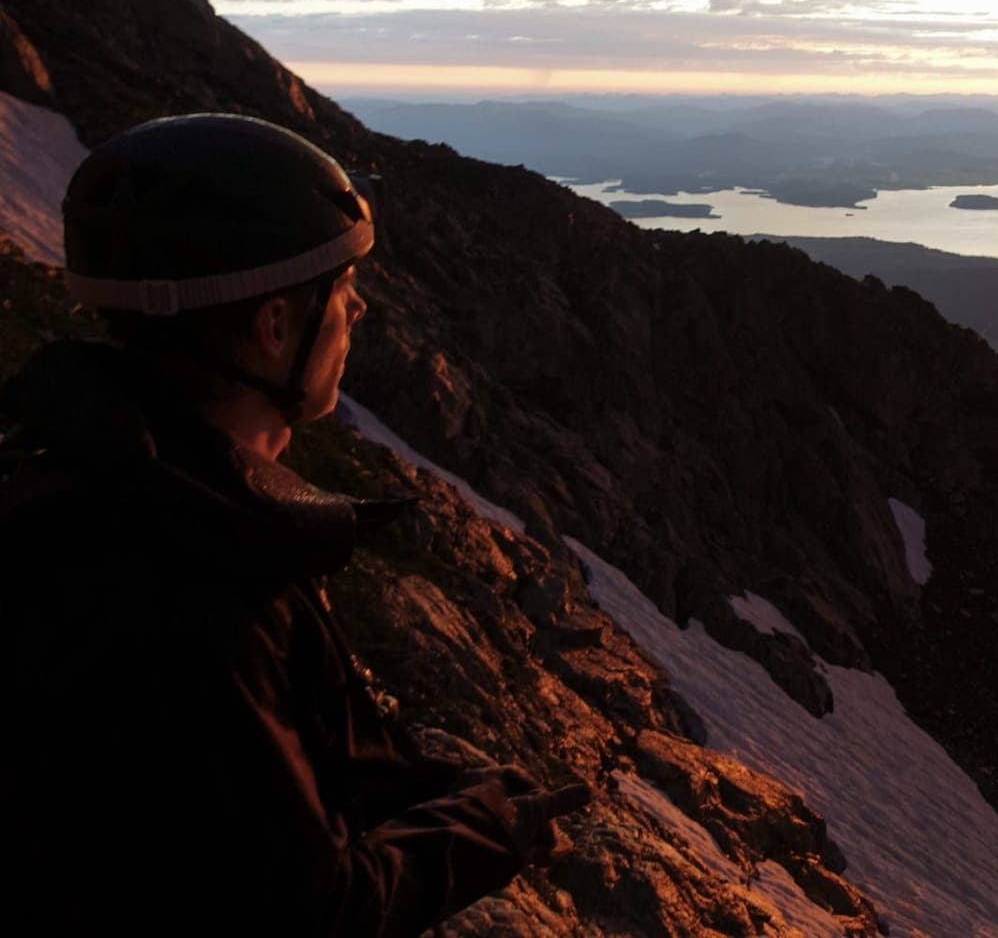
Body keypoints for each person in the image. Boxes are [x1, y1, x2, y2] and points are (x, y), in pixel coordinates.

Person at [0, 113, 588, 935]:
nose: (359, 310)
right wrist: (487, 831)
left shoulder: (82, 477)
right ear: (274, 327)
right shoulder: (197, 586)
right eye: (341, 292)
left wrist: (439, 794)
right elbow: (313, 908)